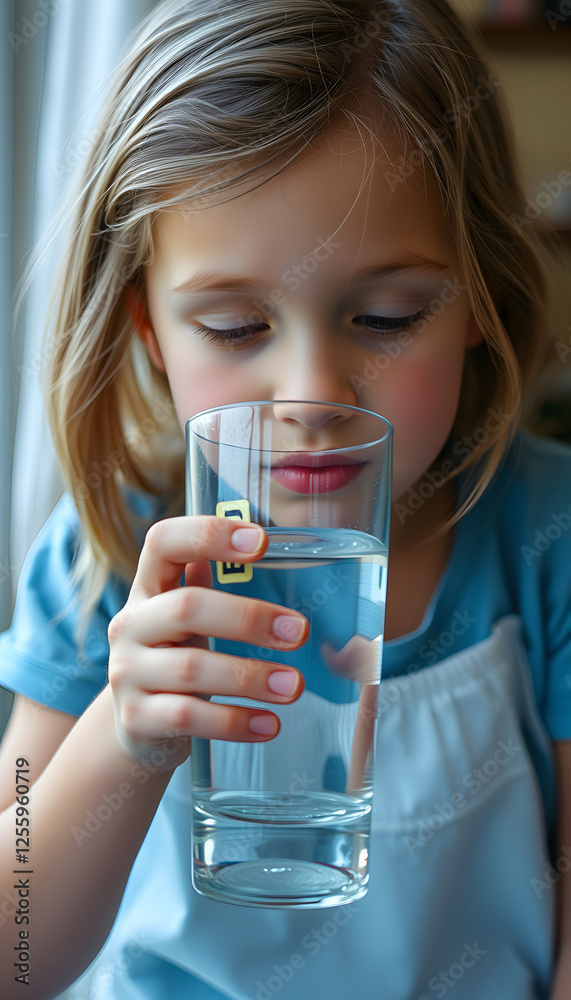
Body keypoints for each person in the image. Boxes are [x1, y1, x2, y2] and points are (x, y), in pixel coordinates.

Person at [0, 0, 569, 997]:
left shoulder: (545, 541)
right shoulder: (102, 562)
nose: (310, 395)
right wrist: (124, 743)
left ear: (476, 297)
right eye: (230, 324)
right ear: (147, 327)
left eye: (386, 314)